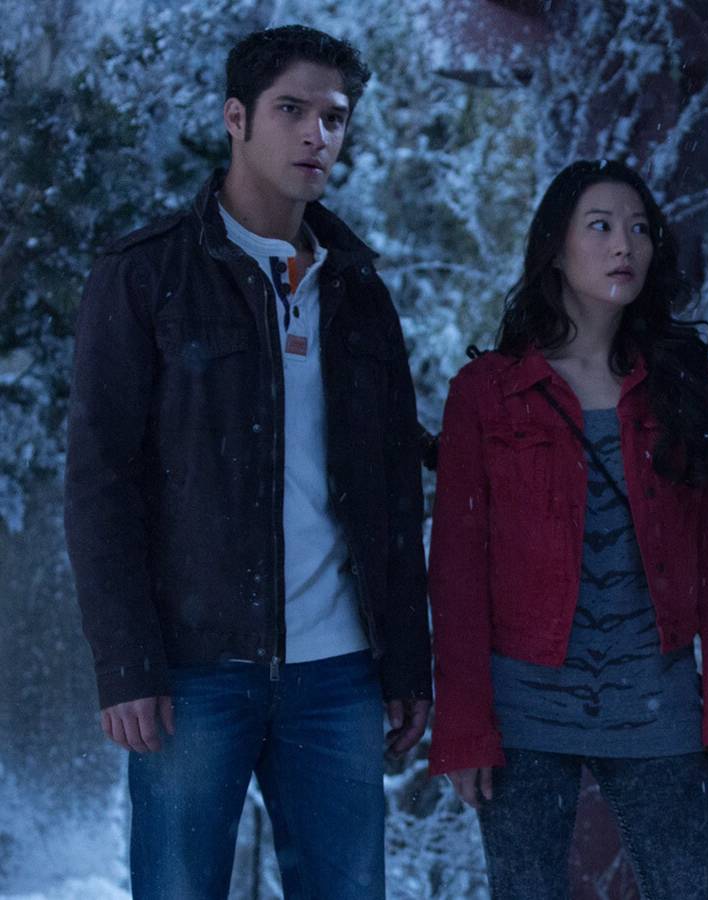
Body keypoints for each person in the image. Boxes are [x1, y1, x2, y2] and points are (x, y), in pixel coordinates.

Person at [64, 25, 433, 898]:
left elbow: (390, 486)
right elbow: (101, 483)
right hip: (194, 669)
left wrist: (406, 663)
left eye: (334, 118)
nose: (316, 135)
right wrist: (126, 663)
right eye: (292, 110)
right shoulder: (147, 274)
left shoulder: (358, 288)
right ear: (237, 118)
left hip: (340, 672)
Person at [427, 159, 708, 899]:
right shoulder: (487, 393)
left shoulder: (684, 382)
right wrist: (464, 725)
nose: (624, 246)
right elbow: (456, 571)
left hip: (658, 705)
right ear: (555, 247)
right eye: (601, 226)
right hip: (525, 713)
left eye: (639, 229)